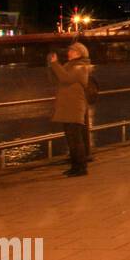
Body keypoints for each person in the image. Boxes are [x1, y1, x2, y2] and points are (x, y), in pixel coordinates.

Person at [48, 42, 92, 177]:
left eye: (72, 51)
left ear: (79, 53)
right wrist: (52, 66)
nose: (69, 53)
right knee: (71, 139)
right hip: (68, 106)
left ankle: (81, 167)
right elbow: (57, 79)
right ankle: (75, 166)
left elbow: (65, 78)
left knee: (75, 139)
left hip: (74, 107)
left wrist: (55, 64)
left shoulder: (80, 67)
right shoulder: (69, 66)